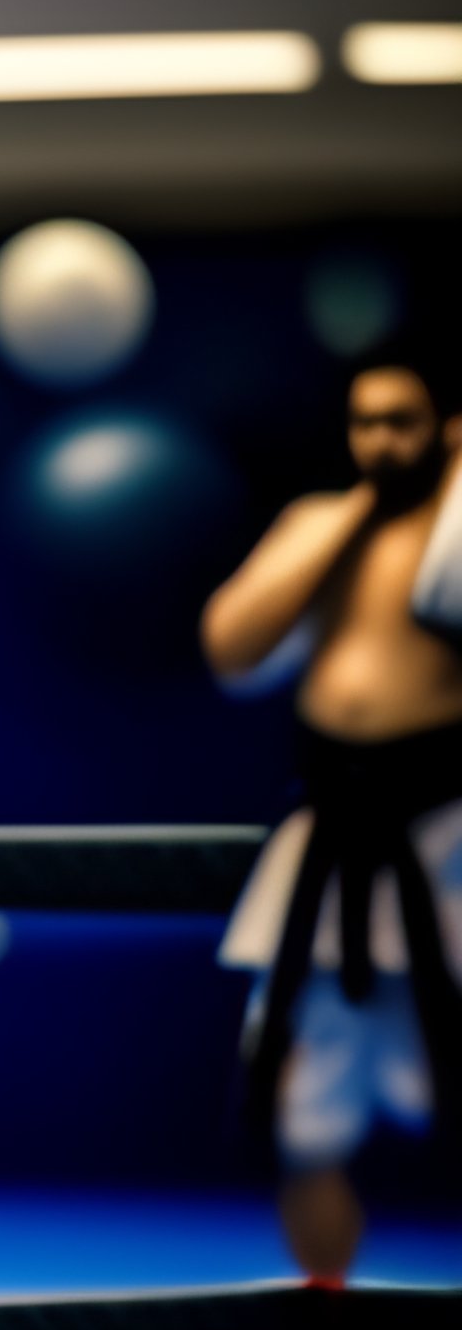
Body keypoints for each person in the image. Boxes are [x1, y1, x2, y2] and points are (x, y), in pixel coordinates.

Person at [201, 357, 462, 1277]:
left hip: (447, 834)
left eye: (403, 422)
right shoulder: (322, 525)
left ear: (450, 426)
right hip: (332, 834)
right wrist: (351, 516)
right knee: (303, 1117)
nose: (381, 442)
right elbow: (232, 647)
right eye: (365, 422)